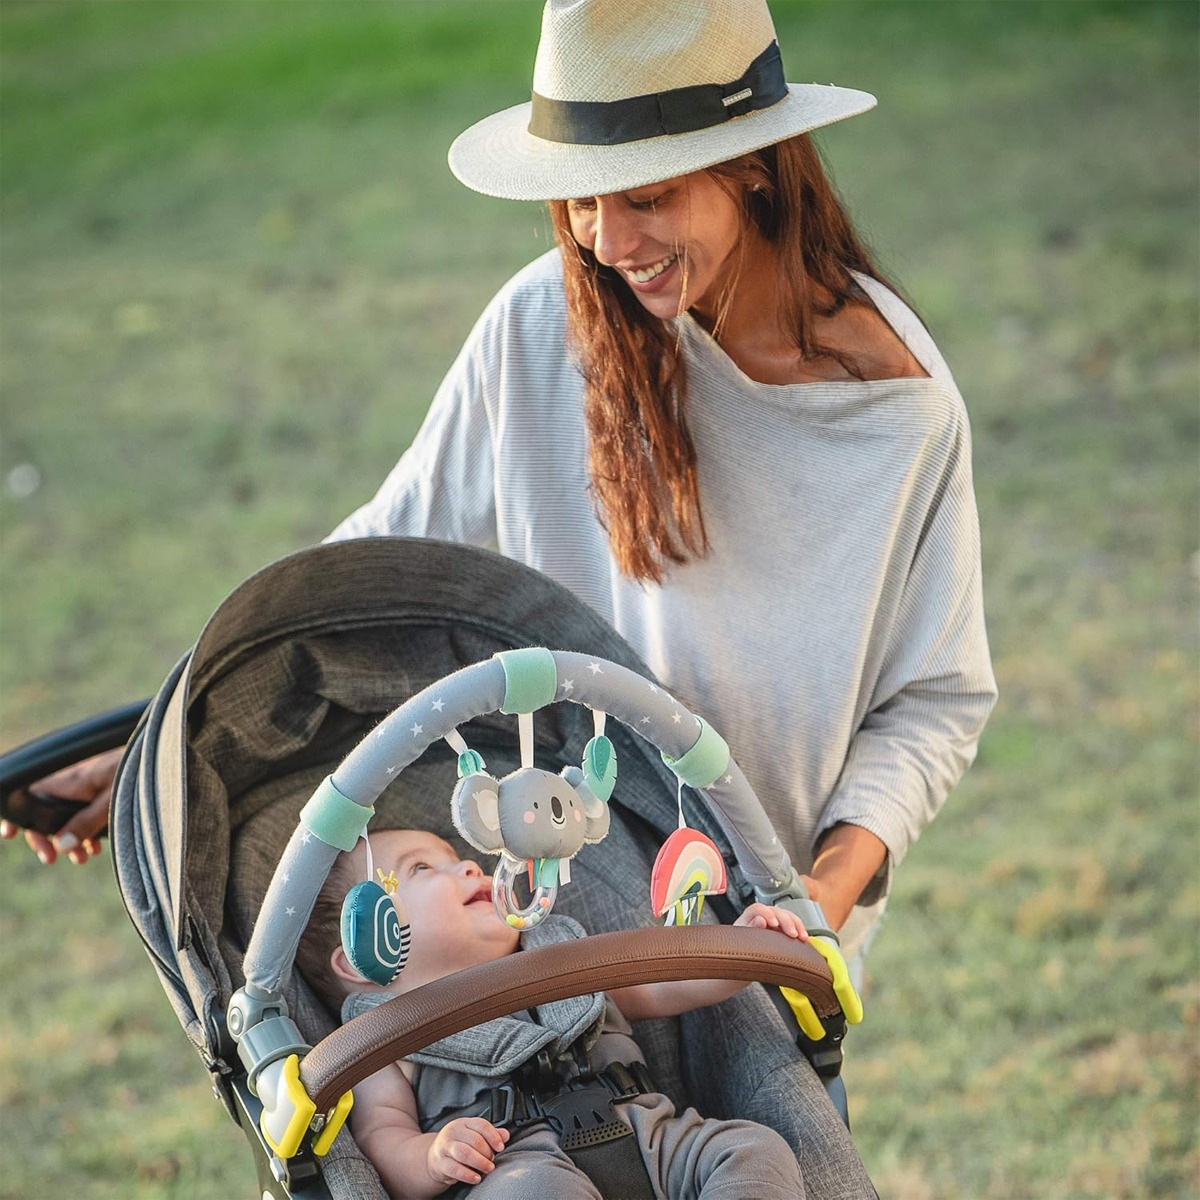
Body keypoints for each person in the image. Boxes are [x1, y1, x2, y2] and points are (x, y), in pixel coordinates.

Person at [5, 0, 996, 979]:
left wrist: (813, 902)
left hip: (757, 938)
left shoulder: (900, 418)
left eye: (643, 196)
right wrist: (163, 746)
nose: (606, 242)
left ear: (752, 167)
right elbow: (371, 569)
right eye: (579, 198)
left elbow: (934, 701)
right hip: (545, 907)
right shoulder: (542, 327)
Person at [296, 825, 813, 1199]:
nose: (469, 866)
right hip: (515, 1168)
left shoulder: (564, 960)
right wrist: (432, 1158)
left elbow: (664, 984)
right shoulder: (385, 1038)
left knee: (754, 1149)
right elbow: (382, 1140)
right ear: (364, 954)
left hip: (656, 1144)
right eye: (421, 868)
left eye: (456, 855)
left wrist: (740, 951)